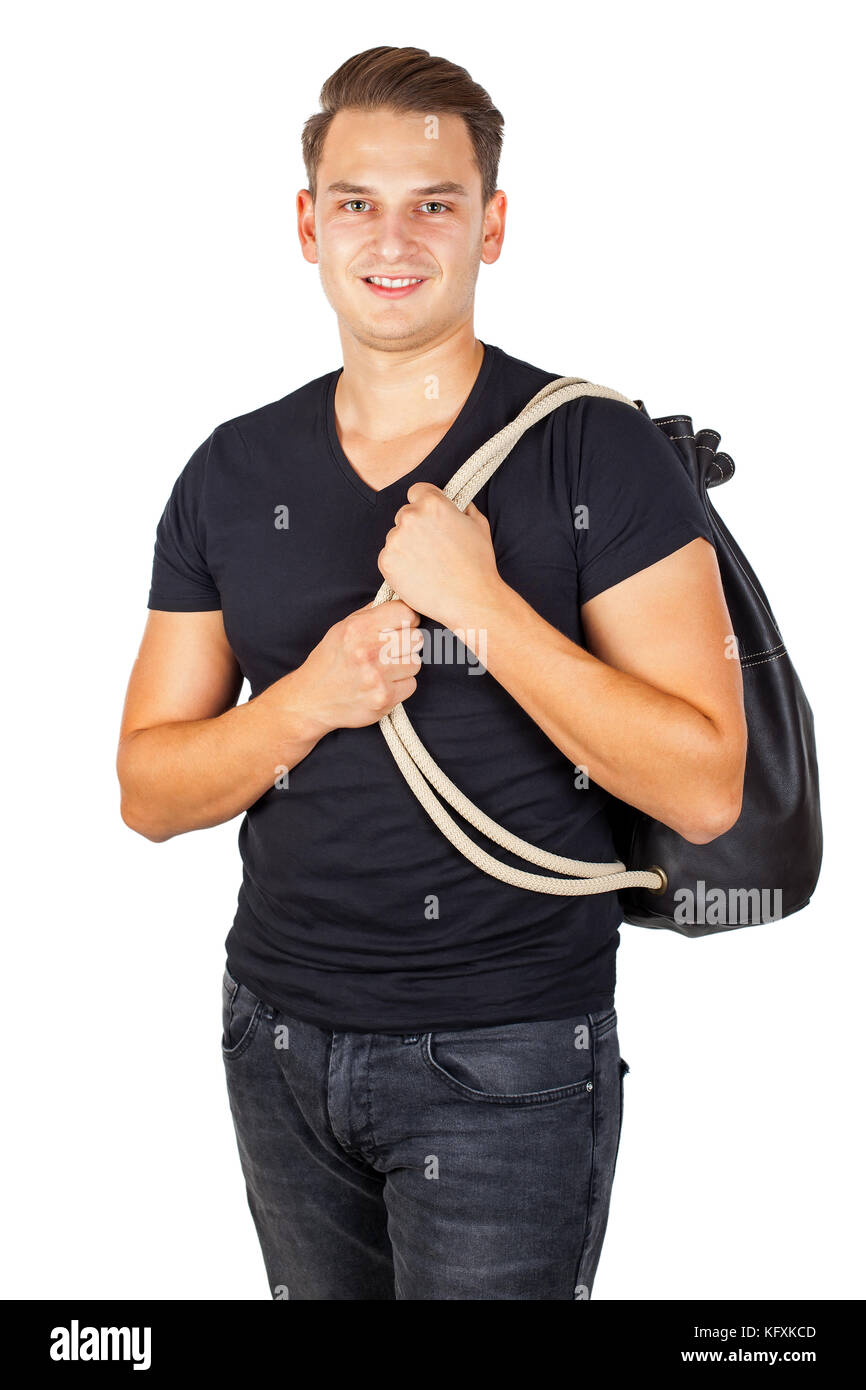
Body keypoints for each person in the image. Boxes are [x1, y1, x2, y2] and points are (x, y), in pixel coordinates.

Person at [116, 45, 747, 1301]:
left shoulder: (596, 452)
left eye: (433, 203)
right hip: (276, 1034)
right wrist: (307, 698)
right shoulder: (229, 471)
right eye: (355, 200)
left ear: (491, 224)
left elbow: (702, 786)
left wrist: (484, 606)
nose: (391, 237)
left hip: (508, 1053)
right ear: (306, 223)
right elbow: (149, 790)